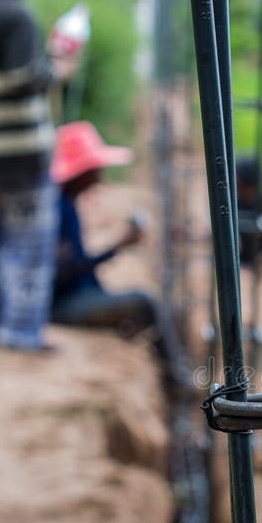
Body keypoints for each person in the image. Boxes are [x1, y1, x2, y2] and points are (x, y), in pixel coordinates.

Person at [50, 120, 190, 387]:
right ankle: (179, 378)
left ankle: (174, 377)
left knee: (139, 305)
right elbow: (66, 272)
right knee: (145, 301)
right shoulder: (59, 210)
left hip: (70, 298)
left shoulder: (65, 205)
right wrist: (118, 246)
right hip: (60, 307)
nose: (100, 172)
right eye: (95, 166)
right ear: (82, 172)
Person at [0, 0, 57, 350]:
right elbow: (21, 76)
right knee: (27, 249)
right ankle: (20, 333)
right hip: (19, 156)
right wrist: (56, 69)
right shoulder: (15, 12)